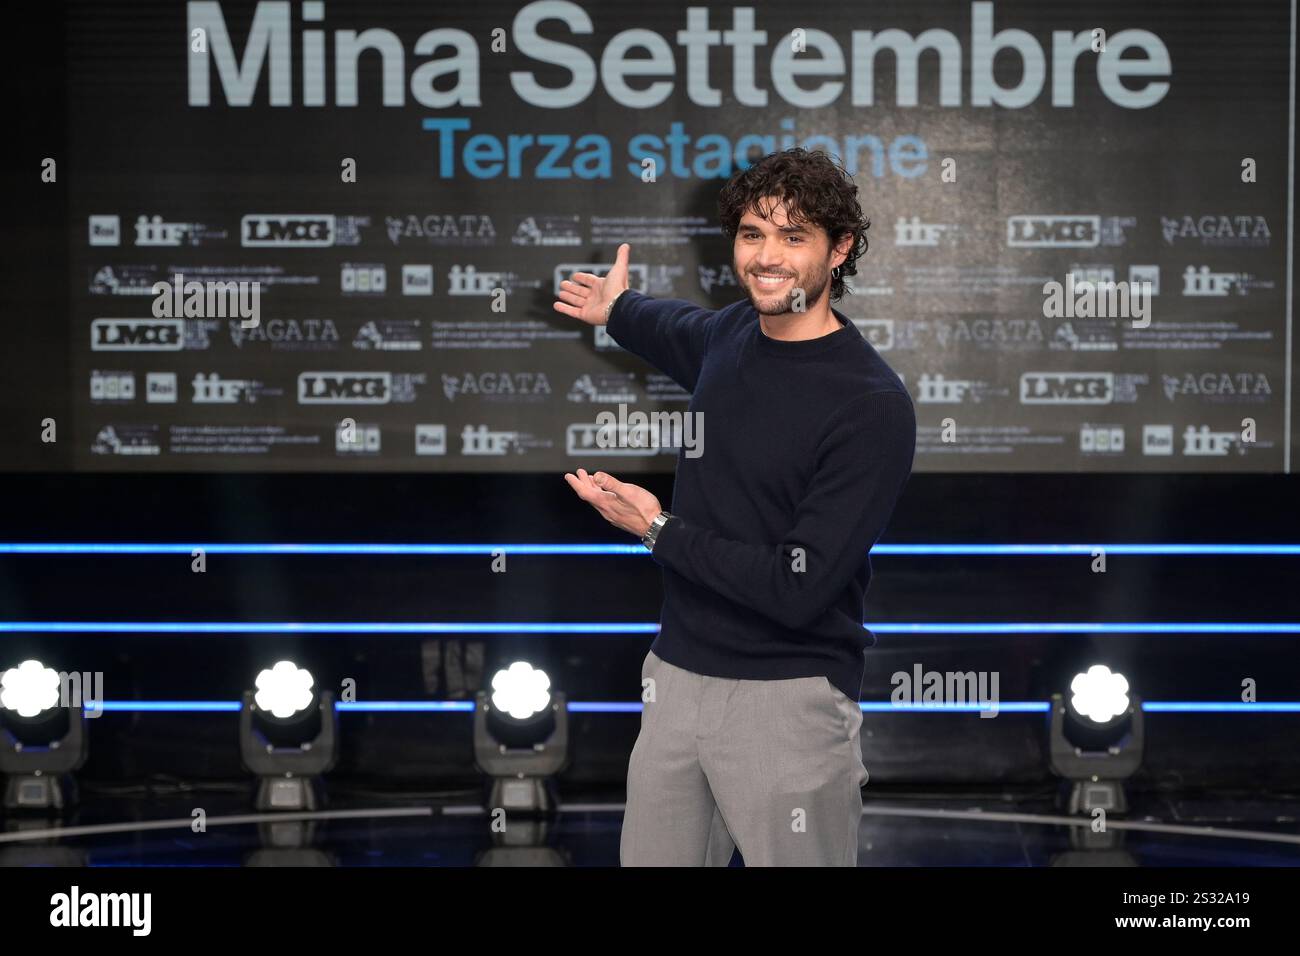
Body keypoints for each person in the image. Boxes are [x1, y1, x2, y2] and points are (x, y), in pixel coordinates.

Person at [553, 148, 915, 866]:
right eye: (753, 234)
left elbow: (797, 588)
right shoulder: (728, 339)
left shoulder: (870, 404)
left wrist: (657, 530)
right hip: (678, 682)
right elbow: (668, 325)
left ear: (839, 250)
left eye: (794, 235)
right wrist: (616, 309)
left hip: (790, 699)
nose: (767, 256)